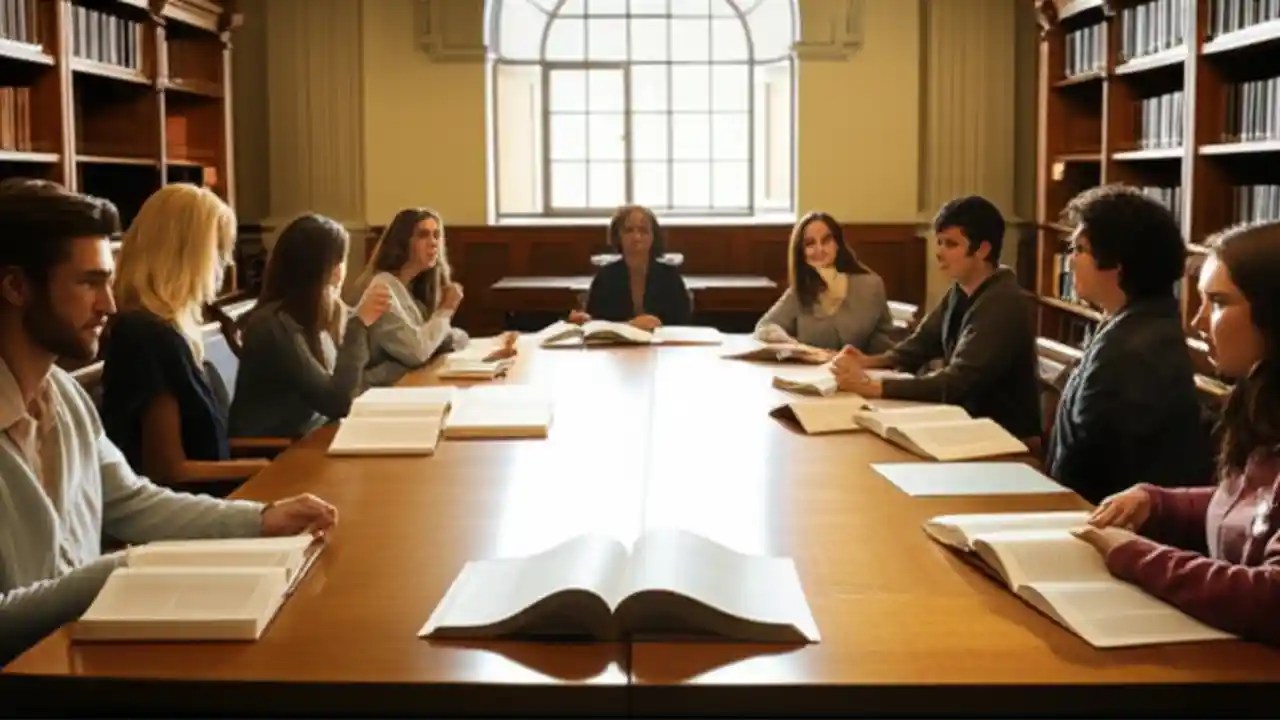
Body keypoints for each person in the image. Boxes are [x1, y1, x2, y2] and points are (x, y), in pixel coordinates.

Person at [0, 189, 336, 664]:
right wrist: (120, 570)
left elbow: (133, 501)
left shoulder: (65, 396)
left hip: (74, 657)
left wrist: (260, 519)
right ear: (16, 287)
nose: (109, 305)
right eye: (89, 283)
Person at [1076, 221, 1280, 645]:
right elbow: (1252, 509)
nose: (1198, 321)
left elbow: (1270, 598)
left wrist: (1134, 555)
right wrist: (1158, 503)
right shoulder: (1262, 403)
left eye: (1219, 303)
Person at [1045, 186, 1213, 504]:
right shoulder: (1136, 322)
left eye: (1080, 249)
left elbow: (1089, 467)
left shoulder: (1130, 351)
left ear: (1117, 264)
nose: (1070, 260)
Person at [830, 195, 1041, 440]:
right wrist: (868, 362)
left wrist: (872, 387)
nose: (939, 253)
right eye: (939, 242)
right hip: (968, 426)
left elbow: (956, 383)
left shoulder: (1002, 302)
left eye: (950, 244)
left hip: (1006, 439)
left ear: (983, 249)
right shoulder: (962, 289)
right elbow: (919, 346)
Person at [101, 184, 265, 485]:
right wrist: (266, 471)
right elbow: (168, 472)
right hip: (188, 515)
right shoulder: (146, 337)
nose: (226, 263)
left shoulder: (166, 330)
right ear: (185, 253)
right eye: (218, 250)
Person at [229, 214, 391, 438]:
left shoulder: (322, 311)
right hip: (274, 456)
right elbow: (336, 401)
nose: (341, 271)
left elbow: (358, 375)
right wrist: (359, 325)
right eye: (339, 260)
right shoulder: (273, 325)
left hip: (313, 439)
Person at [347, 208, 468, 386]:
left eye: (436, 235)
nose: (433, 243)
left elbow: (457, 338)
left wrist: (434, 343)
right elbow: (417, 352)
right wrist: (445, 310)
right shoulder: (382, 287)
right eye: (423, 235)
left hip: (400, 385)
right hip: (373, 395)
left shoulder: (410, 288)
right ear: (402, 243)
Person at [754, 211, 895, 357]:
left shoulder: (870, 286)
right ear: (801, 253)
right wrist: (794, 345)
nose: (819, 249)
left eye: (826, 240)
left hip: (860, 372)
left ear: (837, 244)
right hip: (812, 373)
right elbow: (764, 327)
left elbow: (884, 341)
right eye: (810, 244)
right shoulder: (801, 290)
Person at [570, 205, 690, 330]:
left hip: (662, 346)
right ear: (618, 236)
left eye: (643, 230)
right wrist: (583, 320)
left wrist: (658, 325)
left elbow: (683, 324)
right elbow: (597, 324)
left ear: (653, 237)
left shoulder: (670, 276)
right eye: (629, 230)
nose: (636, 237)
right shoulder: (605, 277)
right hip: (617, 347)